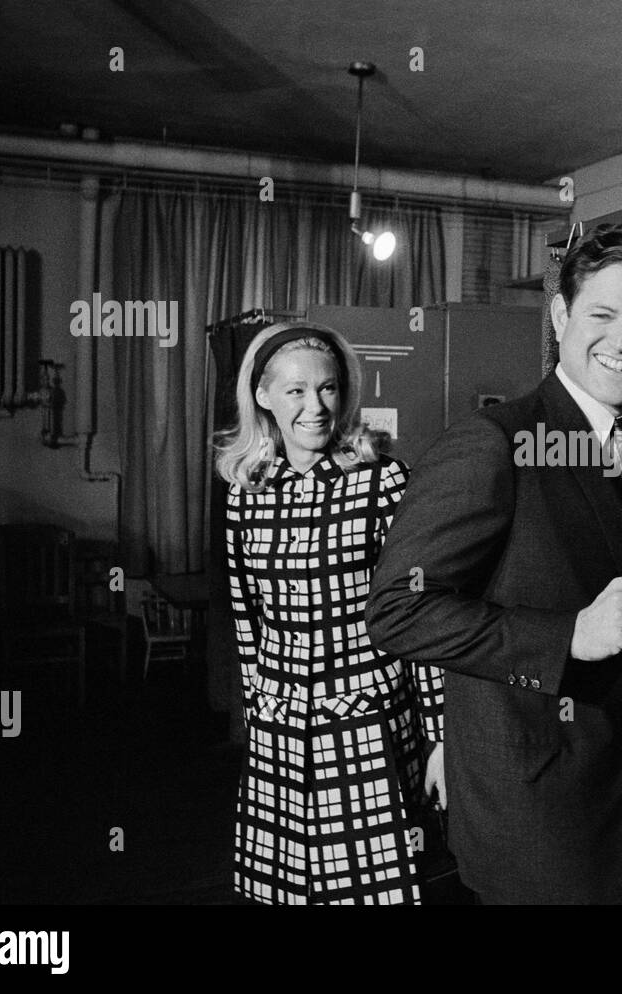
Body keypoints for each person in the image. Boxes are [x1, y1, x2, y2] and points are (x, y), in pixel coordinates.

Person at [365, 223, 622, 904]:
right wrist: (569, 636)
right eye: (602, 315)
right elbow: (396, 612)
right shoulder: (492, 444)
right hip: (539, 827)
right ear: (562, 316)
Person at [216, 321, 445, 905]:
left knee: (373, 892)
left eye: (327, 389)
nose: (315, 406)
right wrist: (256, 714)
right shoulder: (247, 491)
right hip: (279, 726)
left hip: (366, 720)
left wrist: (441, 736)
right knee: (285, 891)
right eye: (296, 391)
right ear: (263, 396)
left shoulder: (382, 479)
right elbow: (248, 620)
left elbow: (420, 611)